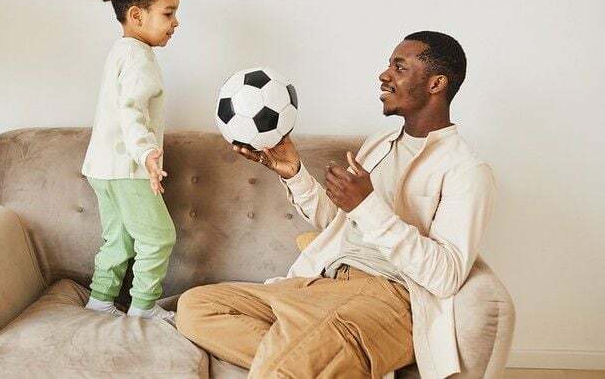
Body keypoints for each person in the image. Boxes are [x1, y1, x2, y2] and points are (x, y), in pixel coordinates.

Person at [177, 31, 495, 378]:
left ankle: (311, 355)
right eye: (389, 64)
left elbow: (446, 275)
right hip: (318, 285)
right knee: (195, 307)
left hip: (386, 299)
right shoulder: (381, 143)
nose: (384, 74)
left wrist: (367, 206)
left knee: (289, 363)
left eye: (399, 67)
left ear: (436, 83)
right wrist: (294, 172)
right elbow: (341, 226)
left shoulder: (466, 169)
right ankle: (326, 359)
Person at [81, 0, 190, 324]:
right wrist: (147, 154)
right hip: (127, 168)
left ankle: (100, 299)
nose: (176, 23)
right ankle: (143, 307)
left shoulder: (120, 51)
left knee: (119, 238)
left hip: (101, 166)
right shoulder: (140, 57)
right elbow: (132, 110)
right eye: (169, 13)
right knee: (159, 237)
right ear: (137, 15)